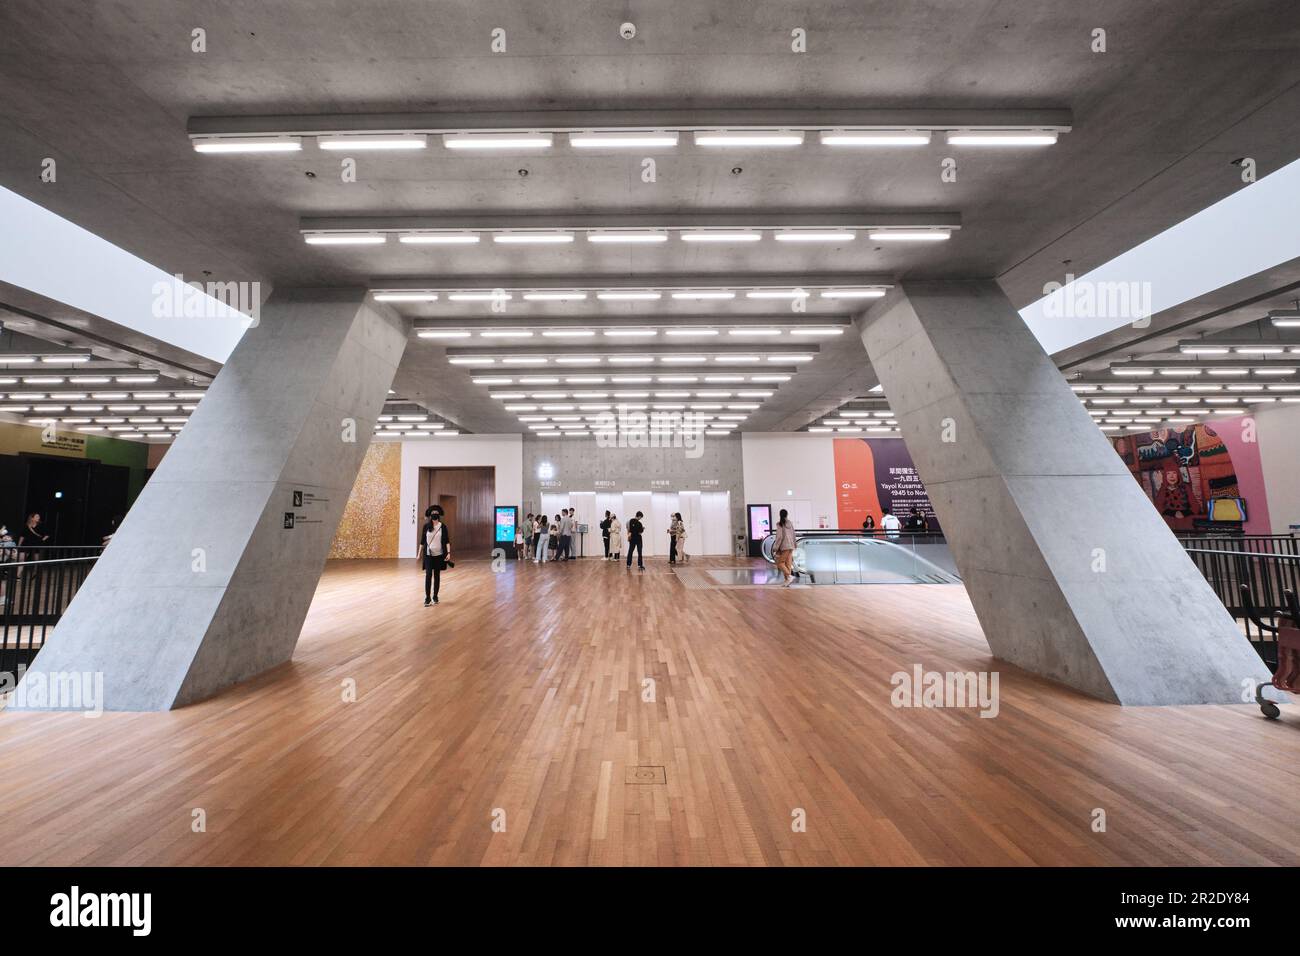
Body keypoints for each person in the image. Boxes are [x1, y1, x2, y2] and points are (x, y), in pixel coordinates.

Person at [417, 509, 451, 606]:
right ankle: (427, 598)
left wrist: (448, 553)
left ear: (439, 515)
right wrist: (419, 553)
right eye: (433, 513)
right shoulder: (426, 527)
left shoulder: (442, 527)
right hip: (428, 555)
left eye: (436, 513)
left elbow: (447, 541)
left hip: (439, 555)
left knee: (437, 576)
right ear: (430, 515)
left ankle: (435, 596)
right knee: (428, 575)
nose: (434, 515)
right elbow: (422, 541)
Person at [771, 508, 798, 587]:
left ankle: (789, 576)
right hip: (791, 546)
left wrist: (775, 548)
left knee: (779, 563)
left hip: (785, 546)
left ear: (780, 515)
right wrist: (795, 544)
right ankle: (787, 581)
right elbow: (793, 534)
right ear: (787, 515)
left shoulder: (779, 524)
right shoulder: (790, 523)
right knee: (788, 564)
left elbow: (779, 537)